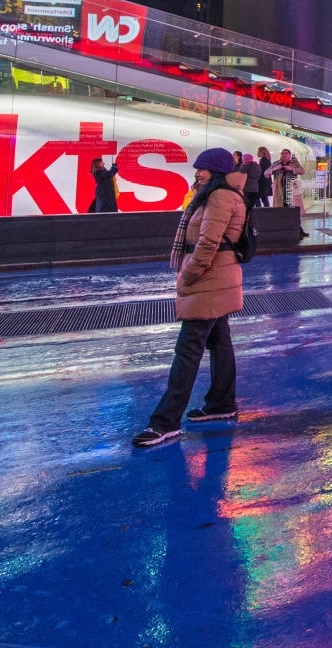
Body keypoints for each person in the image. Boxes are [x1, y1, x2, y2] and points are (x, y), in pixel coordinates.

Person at [134, 149, 249, 447]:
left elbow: (208, 242)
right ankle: (222, 403)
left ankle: (165, 421)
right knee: (218, 342)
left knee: (187, 349)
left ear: (216, 172)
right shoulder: (212, 195)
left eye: (203, 169)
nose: (197, 173)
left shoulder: (220, 197)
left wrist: (188, 277)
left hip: (210, 279)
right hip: (216, 279)